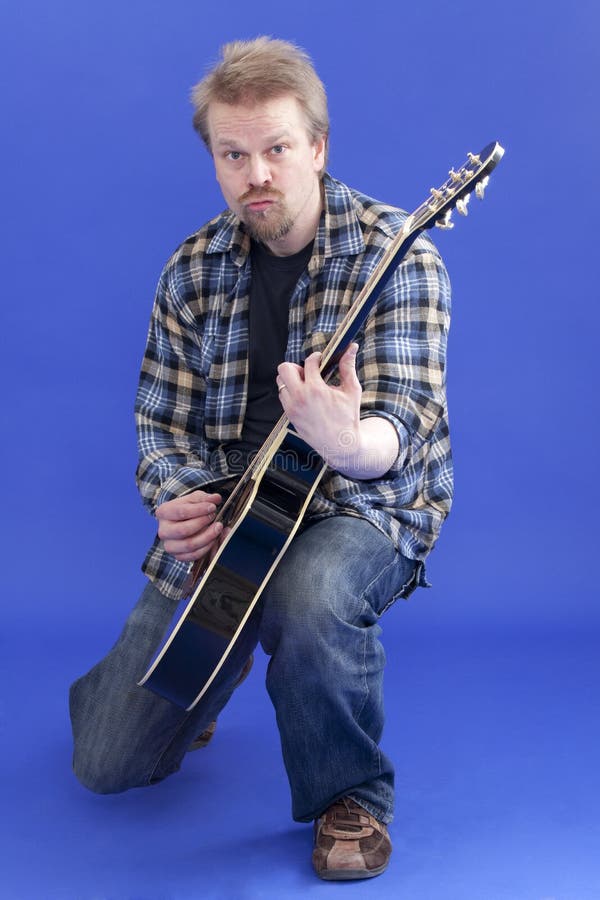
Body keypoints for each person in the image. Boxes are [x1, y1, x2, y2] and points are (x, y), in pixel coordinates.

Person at [69, 36, 452, 881]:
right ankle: (213, 667)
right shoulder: (192, 270)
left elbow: (408, 428)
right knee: (105, 765)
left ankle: (349, 795)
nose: (258, 176)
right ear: (213, 158)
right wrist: (174, 496)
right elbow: (159, 424)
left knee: (308, 595)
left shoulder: (400, 255)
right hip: (239, 506)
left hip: (362, 499)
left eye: (277, 148)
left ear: (317, 145)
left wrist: (347, 439)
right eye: (233, 154)